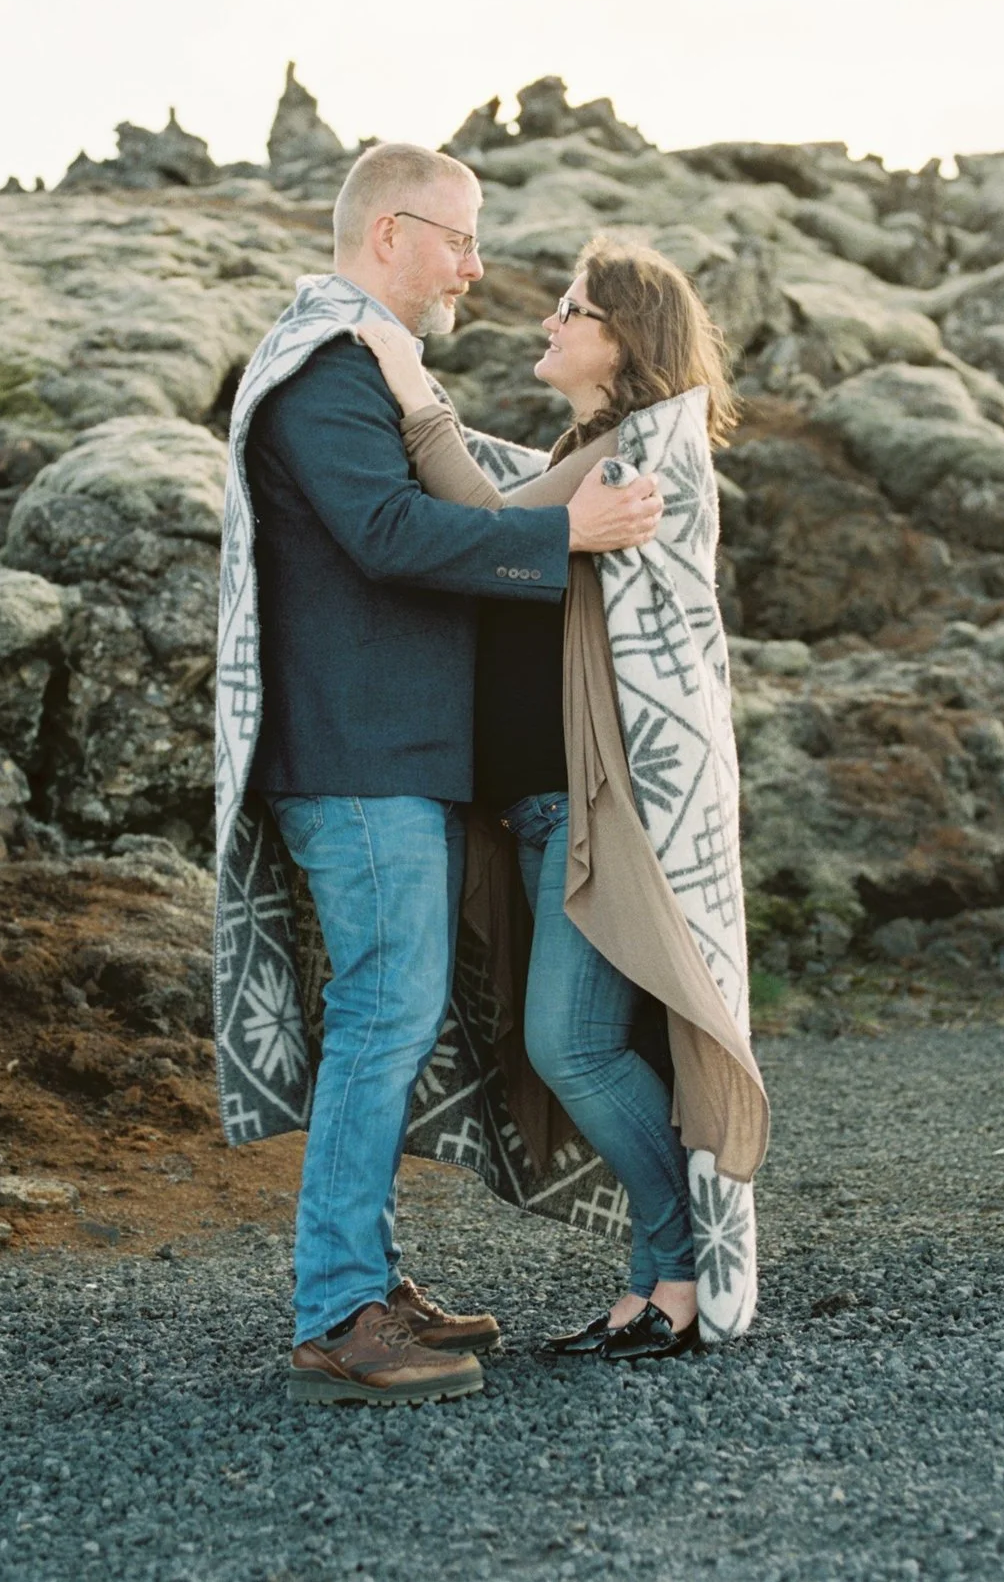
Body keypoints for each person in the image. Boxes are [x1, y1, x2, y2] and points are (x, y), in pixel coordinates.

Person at [210, 144, 666, 1406]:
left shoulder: (361, 367)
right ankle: (338, 1313)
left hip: (392, 757)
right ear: (391, 234)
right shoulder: (325, 376)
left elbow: (440, 493)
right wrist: (560, 533)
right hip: (358, 760)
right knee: (382, 1016)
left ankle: (366, 1280)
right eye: (459, 238)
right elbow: (388, 534)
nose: (475, 264)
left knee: (391, 1015)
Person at [353, 234, 769, 1361]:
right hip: (552, 807)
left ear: (621, 342)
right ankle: (650, 1290)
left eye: (572, 309)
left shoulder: (627, 458)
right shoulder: (592, 446)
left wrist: (408, 389)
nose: (550, 322)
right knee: (580, 1041)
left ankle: (676, 1273)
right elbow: (514, 500)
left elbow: (490, 528)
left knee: (571, 1044)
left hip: (592, 813)